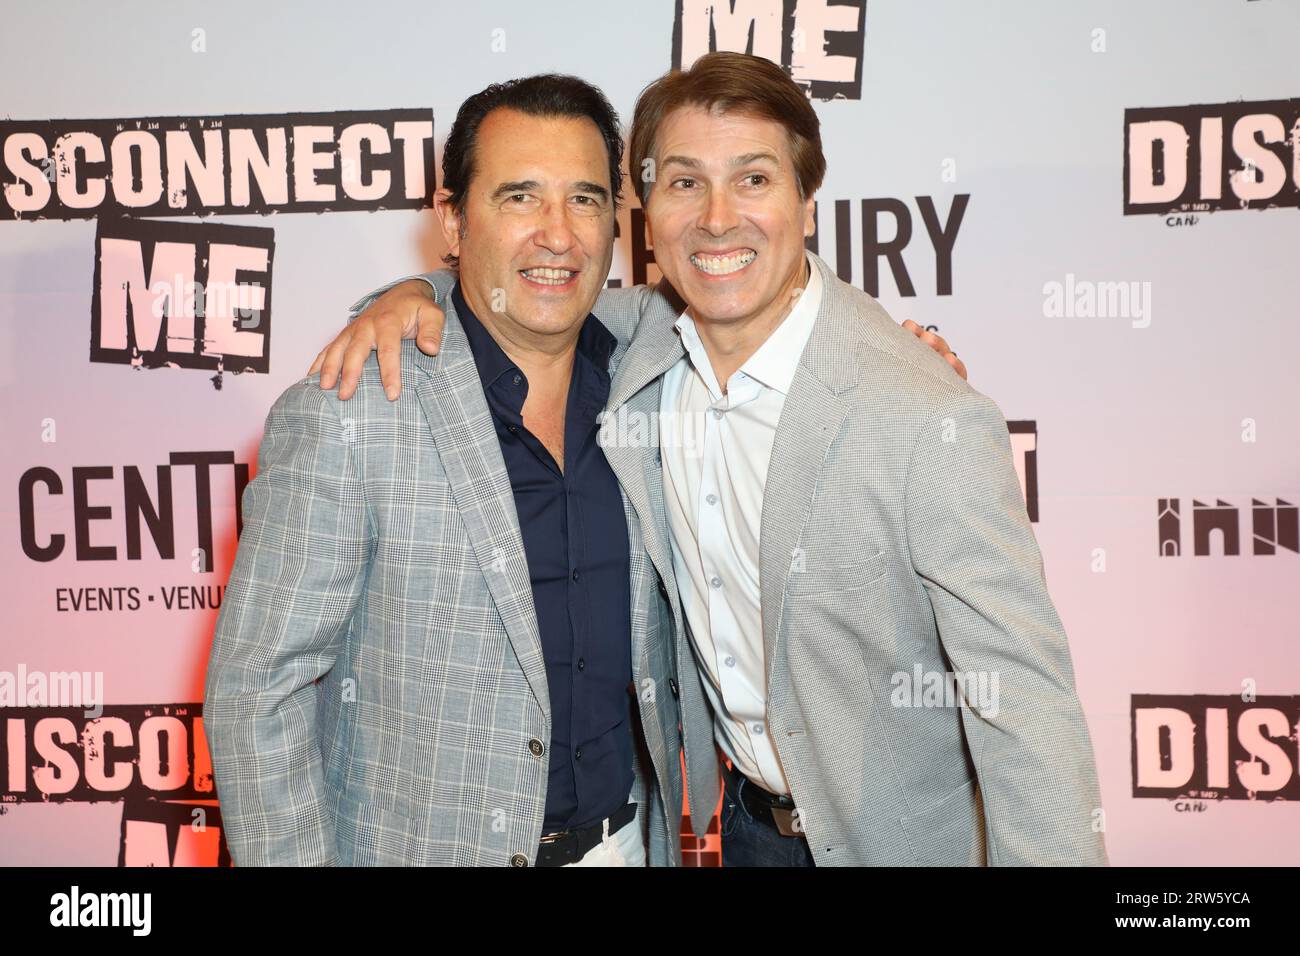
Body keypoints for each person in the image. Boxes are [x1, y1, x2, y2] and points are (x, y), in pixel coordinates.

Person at [325, 55, 1108, 867]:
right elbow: (519, 282)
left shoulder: (922, 414)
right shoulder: (639, 346)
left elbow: (1028, 711)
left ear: (806, 201)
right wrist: (408, 294)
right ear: (647, 210)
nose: (718, 219)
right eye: (684, 183)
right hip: (736, 833)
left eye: (754, 180)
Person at [206, 74, 710, 867]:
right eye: (519, 198)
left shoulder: (652, 365)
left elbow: (768, 300)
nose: (557, 236)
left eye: (583, 199)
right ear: (452, 218)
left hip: (626, 845)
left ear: (617, 220)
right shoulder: (347, 409)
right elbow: (256, 692)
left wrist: (906, 352)